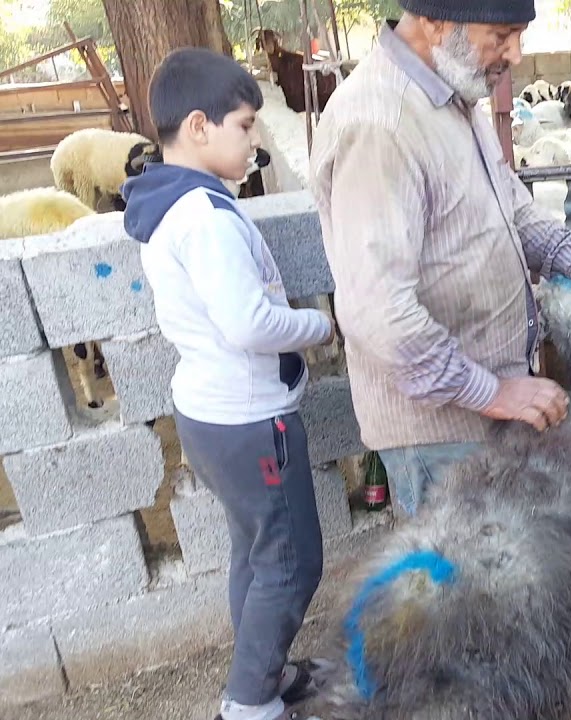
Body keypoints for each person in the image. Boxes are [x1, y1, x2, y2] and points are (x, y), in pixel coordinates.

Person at [310, 0, 571, 520]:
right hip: (441, 438)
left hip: (490, 414)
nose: (516, 53)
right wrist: (492, 392)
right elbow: (379, 312)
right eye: (502, 34)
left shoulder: (452, 96)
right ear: (436, 21)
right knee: (467, 571)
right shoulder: (379, 124)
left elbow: (516, 212)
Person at [121, 48, 333, 720]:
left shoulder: (171, 204)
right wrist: (319, 325)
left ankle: (265, 673)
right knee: (292, 565)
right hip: (250, 421)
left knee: (256, 553)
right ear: (198, 126)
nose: (254, 141)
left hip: (211, 415)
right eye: (244, 126)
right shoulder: (205, 219)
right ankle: (248, 704)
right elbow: (248, 323)